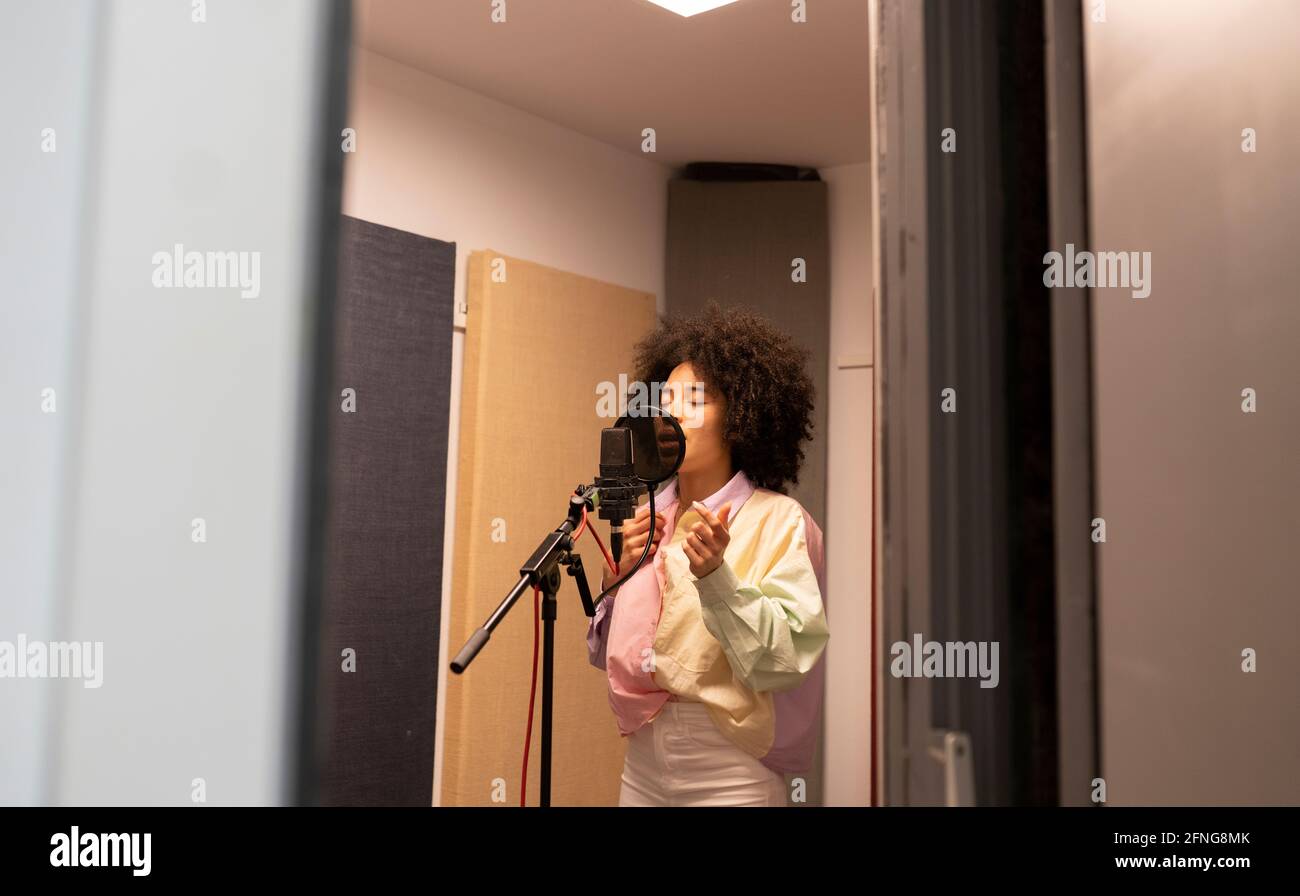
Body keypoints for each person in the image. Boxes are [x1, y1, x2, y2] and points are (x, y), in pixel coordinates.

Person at [586, 301, 830, 807]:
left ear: (740, 416)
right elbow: (602, 654)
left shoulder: (780, 521)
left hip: (731, 767)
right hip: (643, 764)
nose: (672, 412)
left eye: (694, 399)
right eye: (666, 399)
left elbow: (781, 662)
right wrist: (621, 576)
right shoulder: (647, 516)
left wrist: (718, 577)